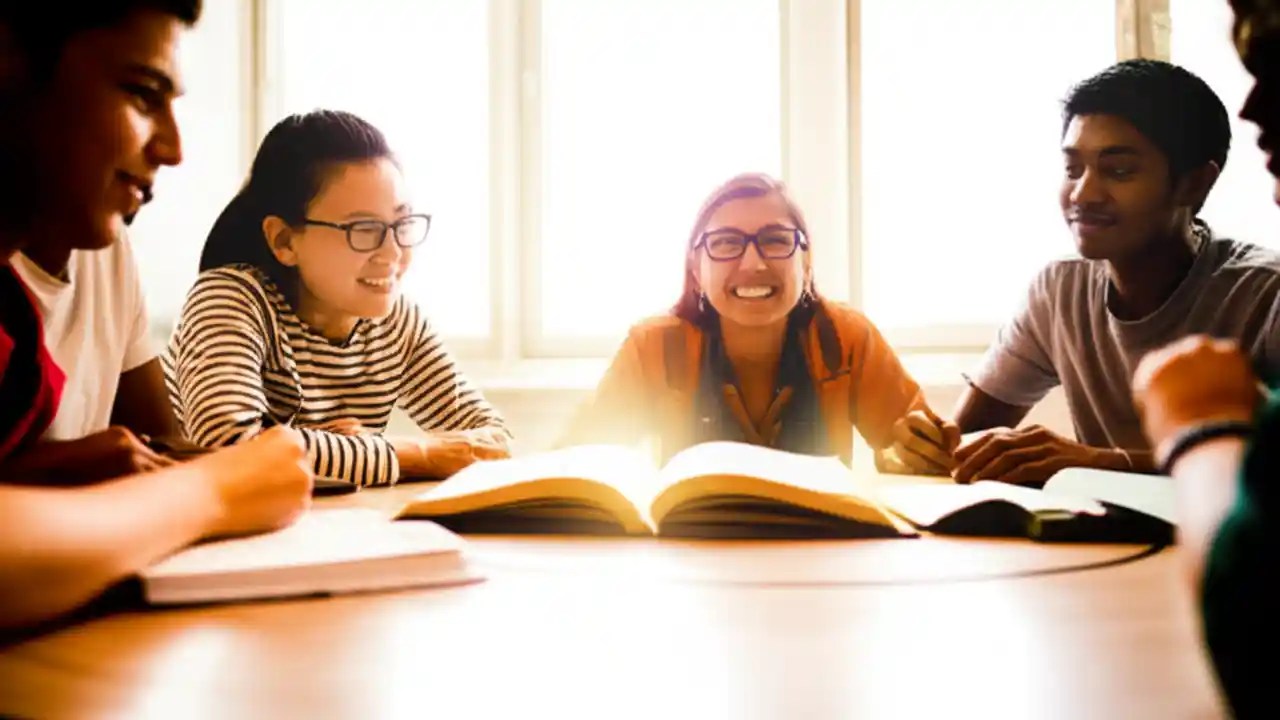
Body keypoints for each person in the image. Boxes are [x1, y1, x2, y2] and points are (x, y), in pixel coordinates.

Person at [0, 0, 312, 633]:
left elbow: (153, 443)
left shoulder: (17, 330)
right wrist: (216, 492)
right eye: (143, 95)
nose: (173, 150)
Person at [889, 58, 1280, 487]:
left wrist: (1092, 462)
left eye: (1119, 171)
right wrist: (924, 447)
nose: (1083, 193)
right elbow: (962, 441)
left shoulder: (1266, 297)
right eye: (1073, 168)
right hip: (1112, 546)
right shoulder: (1059, 292)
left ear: (1194, 184)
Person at [165, 109, 511, 487]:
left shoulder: (397, 323)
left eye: (401, 224)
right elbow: (230, 447)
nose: (393, 253)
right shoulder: (231, 299)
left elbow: (492, 442)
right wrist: (419, 454)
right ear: (283, 241)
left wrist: (313, 449)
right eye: (364, 229)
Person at [559, 172, 939, 468]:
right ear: (696, 269)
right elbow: (578, 463)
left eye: (775, 240)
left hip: (819, 556)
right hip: (691, 557)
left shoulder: (845, 339)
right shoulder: (655, 346)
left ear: (805, 262)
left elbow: (918, 449)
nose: (753, 264)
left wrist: (913, 454)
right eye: (726, 243)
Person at [1131, 2, 1280, 716]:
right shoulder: (1055, 287)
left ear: (1194, 183)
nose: (1253, 104)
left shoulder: (1263, 287)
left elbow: (1260, 630)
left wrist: (1201, 428)